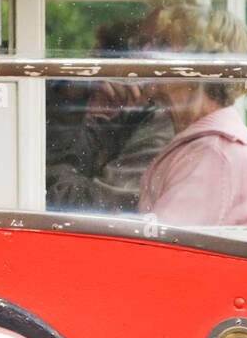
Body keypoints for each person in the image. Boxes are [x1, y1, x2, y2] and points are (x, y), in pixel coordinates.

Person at [137, 4, 247, 226]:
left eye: (164, 44)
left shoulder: (213, 151)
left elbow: (160, 245)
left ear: (200, 67)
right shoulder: (204, 142)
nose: (145, 52)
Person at [46, 17, 174, 213]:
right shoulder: (138, 117)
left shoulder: (164, 126)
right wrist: (71, 93)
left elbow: (78, 202)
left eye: (159, 44)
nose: (147, 53)